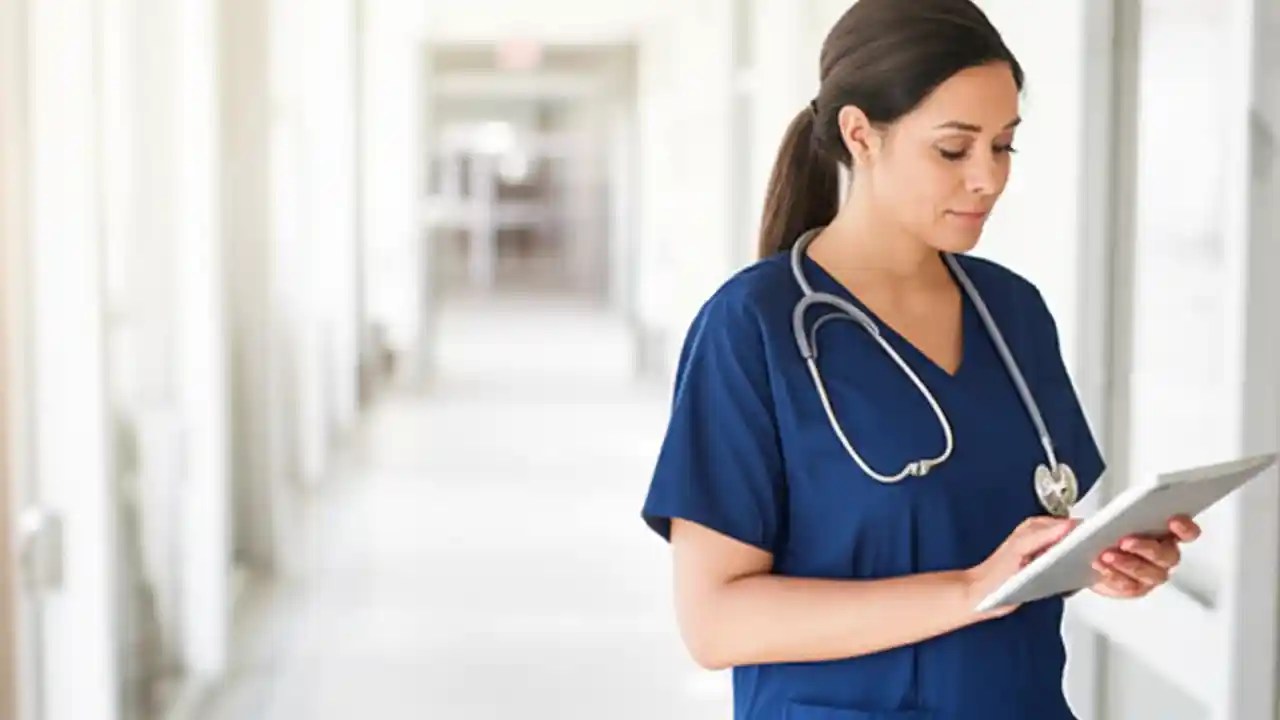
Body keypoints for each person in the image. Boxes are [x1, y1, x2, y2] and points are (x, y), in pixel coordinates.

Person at [639, 1, 1202, 718]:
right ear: (859, 135)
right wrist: (968, 591)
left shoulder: (1012, 314)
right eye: (953, 148)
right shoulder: (754, 327)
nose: (988, 178)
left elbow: (1020, 544)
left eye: (1003, 146)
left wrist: (1099, 565)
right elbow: (716, 623)